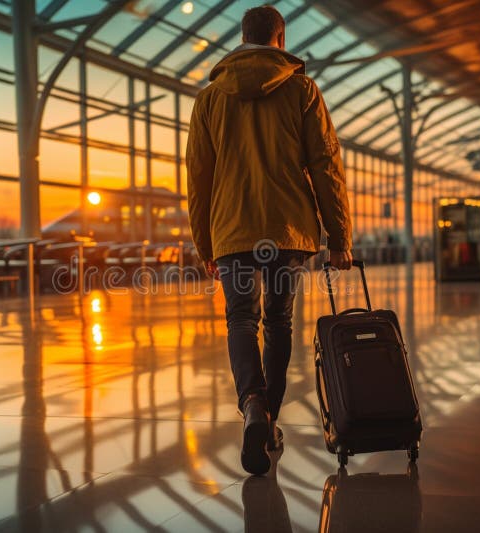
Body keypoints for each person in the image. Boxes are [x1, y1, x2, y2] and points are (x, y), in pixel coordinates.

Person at [186, 5, 353, 475]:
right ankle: (270, 417)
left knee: (241, 319)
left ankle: (252, 407)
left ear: (242, 38)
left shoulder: (210, 99)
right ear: (280, 39)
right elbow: (325, 164)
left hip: (232, 229)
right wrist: (339, 237)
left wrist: (206, 245)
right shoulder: (302, 89)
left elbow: (198, 178)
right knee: (278, 322)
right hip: (287, 227)